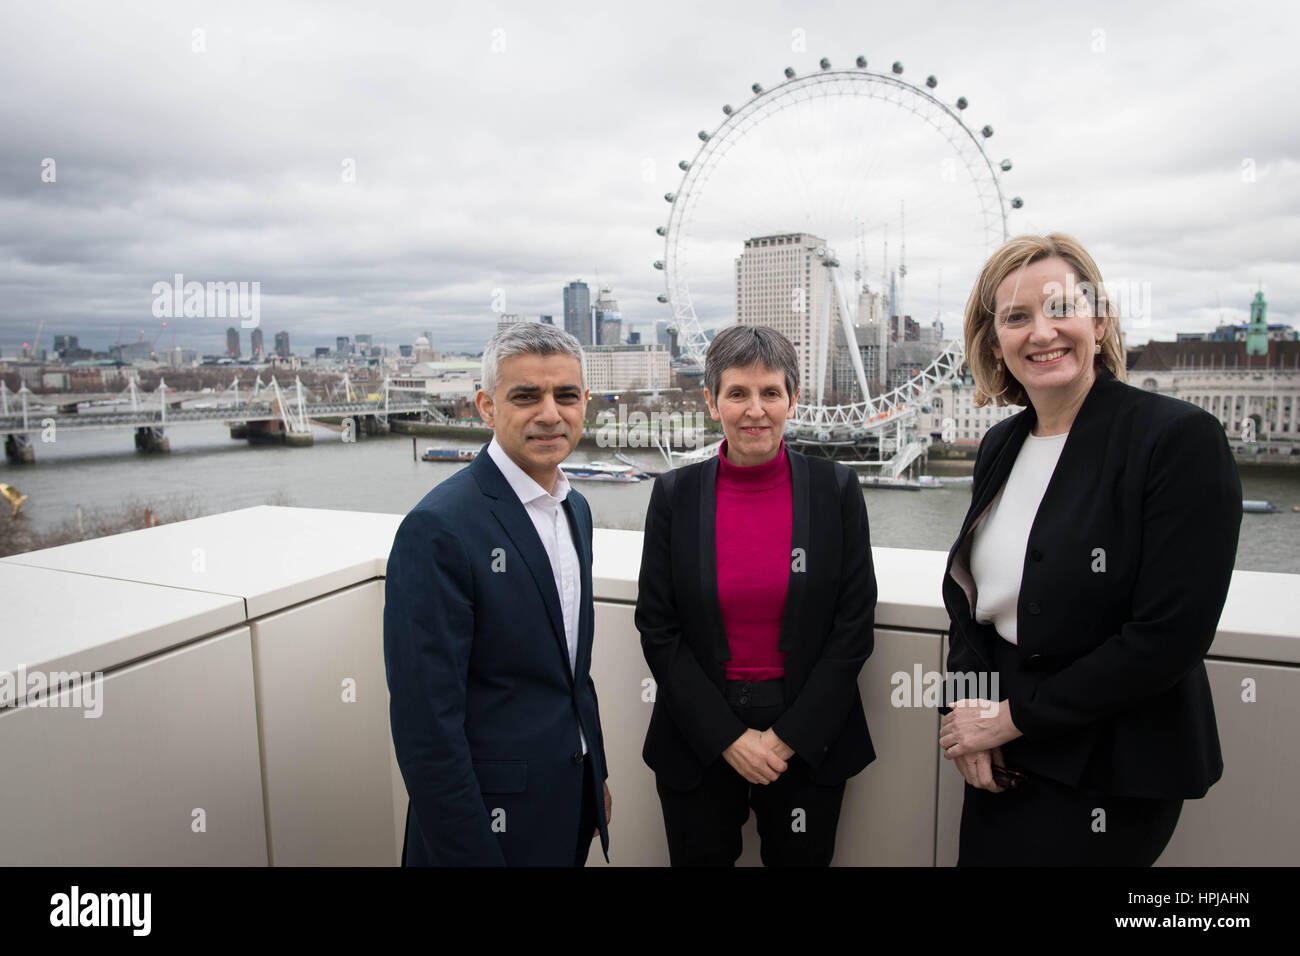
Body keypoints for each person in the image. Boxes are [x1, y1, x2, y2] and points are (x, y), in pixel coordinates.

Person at [939, 233, 1242, 866]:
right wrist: (967, 717)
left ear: (1098, 321)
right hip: (1001, 745)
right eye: (1016, 317)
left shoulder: (1176, 440)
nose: (1041, 332)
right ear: (994, 341)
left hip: (1111, 754)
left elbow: (1170, 636)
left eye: (1060, 309)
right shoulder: (1001, 444)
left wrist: (1012, 717)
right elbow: (971, 602)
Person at [636, 325, 877, 866]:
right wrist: (727, 738)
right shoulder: (675, 495)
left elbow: (853, 625)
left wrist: (785, 738)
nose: (755, 410)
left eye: (770, 392)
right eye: (737, 393)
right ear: (711, 400)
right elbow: (658, 625)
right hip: (697, 735)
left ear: (793, 398)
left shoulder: (836, 490)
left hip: (808, 739)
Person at [384, 322, 611, 866]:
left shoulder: (574, 508)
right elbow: (425, 728)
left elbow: (569, 672)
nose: (551, 414)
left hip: (567, 805)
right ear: (486, 406)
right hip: (485, 831)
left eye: (567, 395)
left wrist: (593, 772)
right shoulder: (438, 528)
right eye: (526, 396)